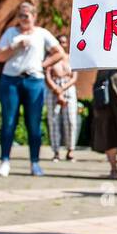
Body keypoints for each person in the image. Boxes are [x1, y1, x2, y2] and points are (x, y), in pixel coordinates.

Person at [0, 0, 64, 177]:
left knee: (34, 124)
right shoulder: (11, 33)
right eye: (20, 16)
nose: (23, 19)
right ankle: (5, 161)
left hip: (33, 81)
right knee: (9, 122)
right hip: (11, 81)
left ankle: (35, 162)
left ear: (34, 16)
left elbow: (59, 53)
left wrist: (43, 64)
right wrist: (14, 46)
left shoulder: (41, 34)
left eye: (26, 15)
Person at [44, 33, 79, 161]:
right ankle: (56, 152)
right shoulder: (50, 58)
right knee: (53, 121)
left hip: (68, 87)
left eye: (64, 42)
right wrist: (56, 90)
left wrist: (63, 89)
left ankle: (70, 150)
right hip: (53, 87)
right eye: (60, 42)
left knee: (71, 121)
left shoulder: (71, 58)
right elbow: (47, 75)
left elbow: (74, 77)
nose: (62, 44)